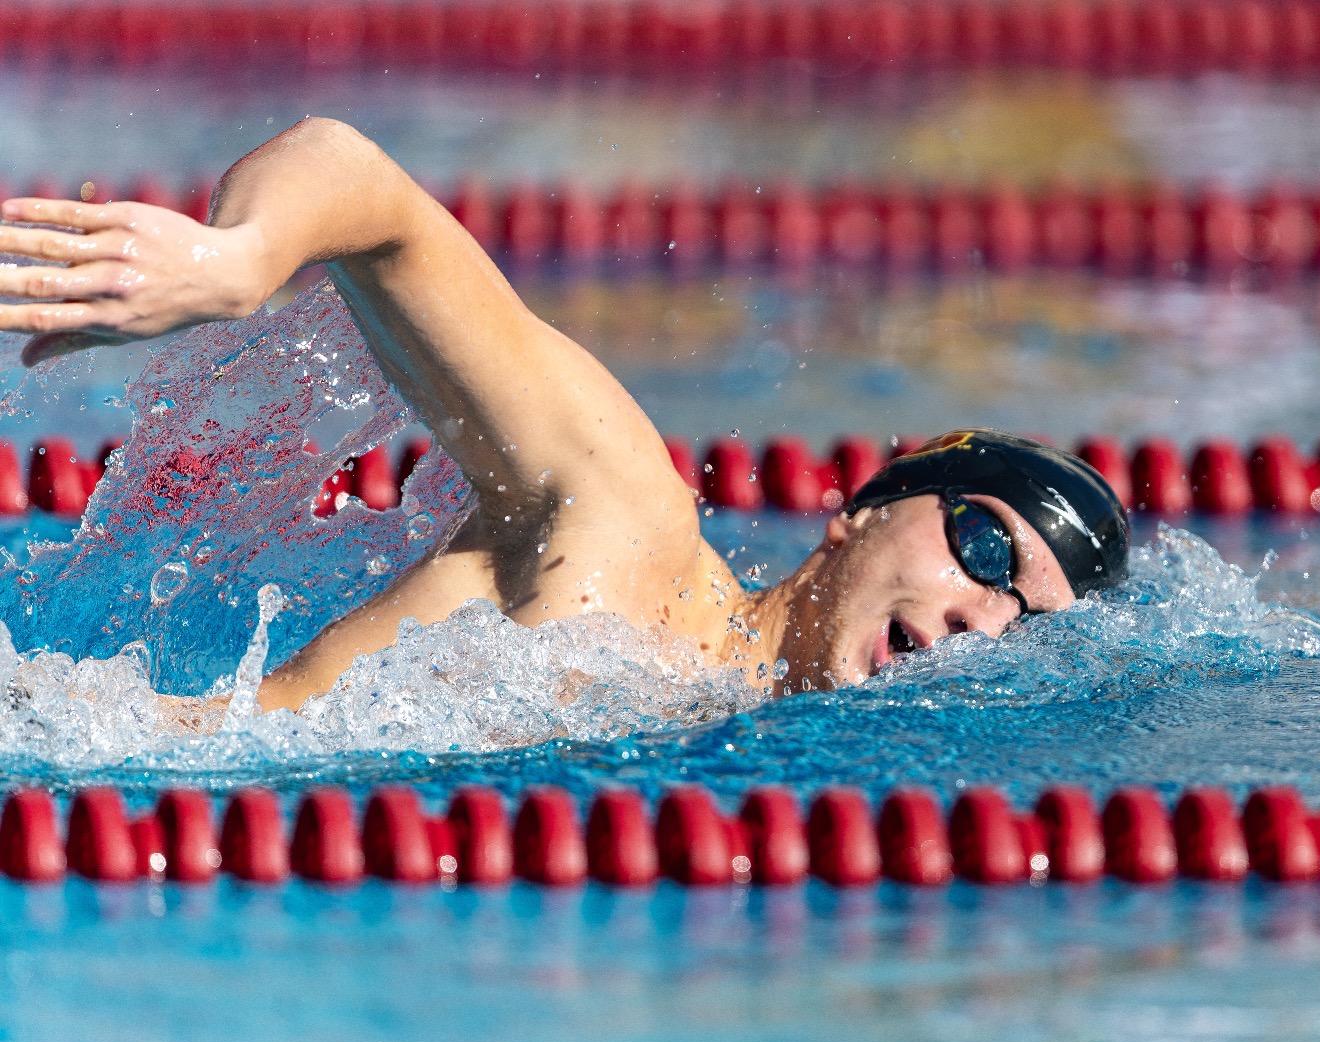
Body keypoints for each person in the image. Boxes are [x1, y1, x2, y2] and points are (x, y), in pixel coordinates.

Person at [0, 118, 1129, 711]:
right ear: (860, 514)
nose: (985, 617)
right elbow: (355, 179)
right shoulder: (626, 530)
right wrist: (237, 261)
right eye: (984, 547)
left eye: (1021, 621)